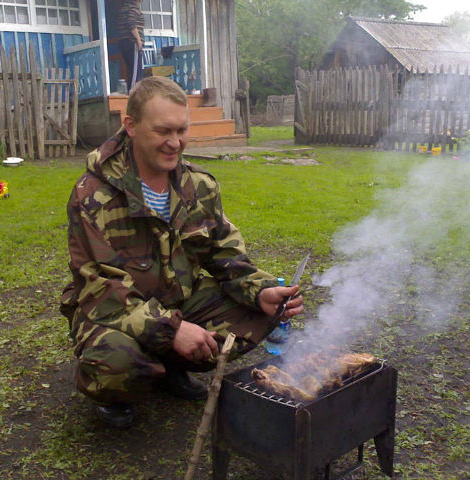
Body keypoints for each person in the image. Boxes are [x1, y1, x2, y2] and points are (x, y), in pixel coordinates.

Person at [60, 77, 303, 428]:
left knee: (263, 313)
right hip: (112, 312)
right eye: (162, 131)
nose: (175, 143)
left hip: (179, 301)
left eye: (182, 130)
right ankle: (119, 393)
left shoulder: (199, 185)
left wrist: (261, 290)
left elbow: (225, 254)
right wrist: (171, 330)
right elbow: (103, 291)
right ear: (130, 125)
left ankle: (170, 367)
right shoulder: (93, 195)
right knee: (116, 365)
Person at [117, 0, 145, 92]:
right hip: (132, 42)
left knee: (131, 69)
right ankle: (133, 93)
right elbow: (131, 24)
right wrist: (138, 40)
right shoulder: (133, 9)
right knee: (135, 70)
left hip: (123, 42)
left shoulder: (123, 8)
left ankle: (132, 91)